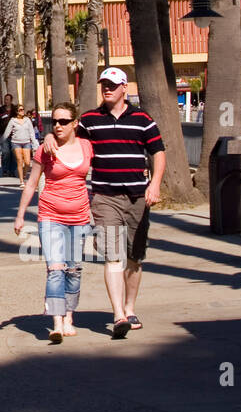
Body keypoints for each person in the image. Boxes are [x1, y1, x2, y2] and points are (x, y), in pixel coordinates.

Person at [39, 67, 165, 339]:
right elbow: (69, 137)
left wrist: (154, 185)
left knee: (134, 258)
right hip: (105, 197)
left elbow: (158, 152)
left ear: (124, 88)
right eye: (103, 84)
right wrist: (50, 135)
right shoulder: (90, 120)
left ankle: (130, 308)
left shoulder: (143, 119)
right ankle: (118, 314)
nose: (106, 88)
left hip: (137, 198)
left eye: (112, 84)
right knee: (113, 255)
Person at [14, 102, 94, 343]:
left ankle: (69, 316)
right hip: (50, 216)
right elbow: (31, 183)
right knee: (55, 269)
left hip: (80, 216)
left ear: (75, 124)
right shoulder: (45, 149)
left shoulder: (87, 146)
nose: (57, 126)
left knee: (74, 269)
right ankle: (57, 321)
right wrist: (20, 215)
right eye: (54, 122)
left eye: (63, 122)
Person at [1, 104, 36, 184]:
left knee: (27, 162)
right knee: (19, 161)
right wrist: (1, 141)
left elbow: (31, 132)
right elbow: (7, 132)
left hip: (26, 142)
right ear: (16, 112)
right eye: (20, 110)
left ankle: (23, 174)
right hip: (16, 142)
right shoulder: (13, 120)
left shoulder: (27, 120)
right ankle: (21, 181)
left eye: (23, 109)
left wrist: (35, 144)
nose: (22, 111)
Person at [0, 93, 17, 177]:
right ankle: (5, 170)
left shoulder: (15, 110)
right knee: (6, 153)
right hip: (4, 135)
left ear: (11, 100)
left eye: (8, 99)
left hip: (14, 135)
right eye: (5, 99)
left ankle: (12, 170)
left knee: (14, 154)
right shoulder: (0, 110)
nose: (6, 101)